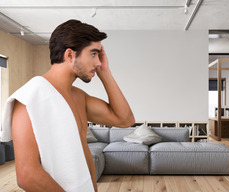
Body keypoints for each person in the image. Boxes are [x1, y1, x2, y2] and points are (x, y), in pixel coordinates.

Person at [7, 20, 135, 191]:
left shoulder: (79, 97)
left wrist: (105, 72)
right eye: (93, 54)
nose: (98, 62)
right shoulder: (30, 97)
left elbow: (124, 120)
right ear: (70, 55)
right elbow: (27, 175)